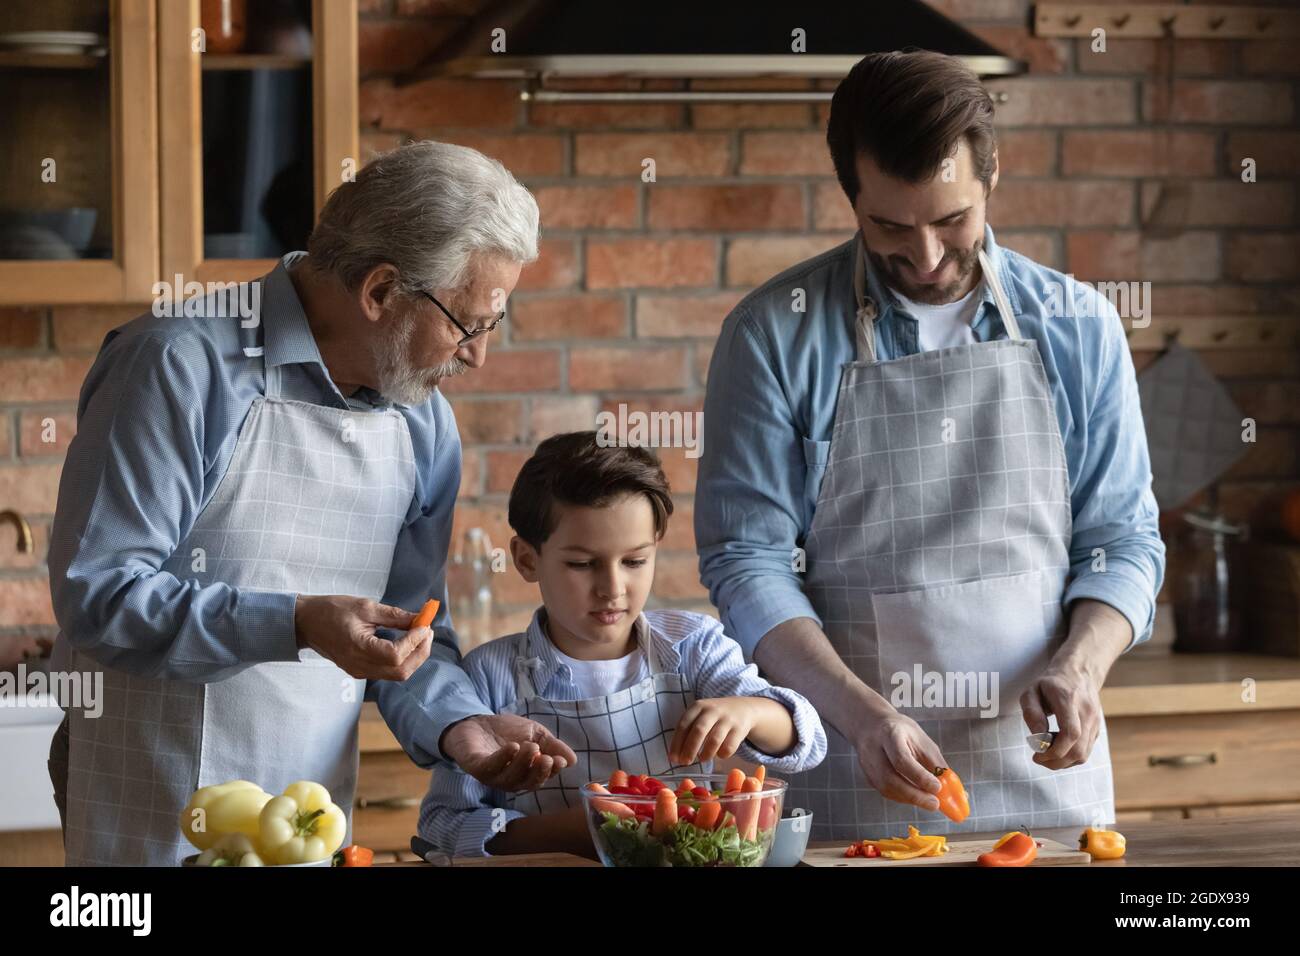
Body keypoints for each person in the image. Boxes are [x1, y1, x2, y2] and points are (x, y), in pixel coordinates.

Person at [45, 141, 577, 865]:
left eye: (492, 322)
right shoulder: (177, 365)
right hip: (147, 808)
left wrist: (461, 728)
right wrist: (296, 622)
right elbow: (99, 597)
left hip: (311, 828)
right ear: (381, 291)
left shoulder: (423, 421)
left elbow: (414, 634)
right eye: (468, 322)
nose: (478, 354)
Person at [695, 51, 1165, 839]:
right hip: (852, 767)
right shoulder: (771, 335)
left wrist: (1081, 667)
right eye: (889, 225)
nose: (926, 256)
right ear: (851, 194)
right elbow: (748, 563)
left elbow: (1121, 540)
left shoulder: (1080, 327)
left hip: (1047, 778)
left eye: (952, 220)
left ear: (991, 178)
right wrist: (862, 716)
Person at [418, 432, 826, 857]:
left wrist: (752, 711)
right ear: (526, 559)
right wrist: (581, 831)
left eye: (634, 561)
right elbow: (443, 824)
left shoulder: (693, 646)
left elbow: (809, 742)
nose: (613, 588)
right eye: (582, 564)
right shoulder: (488, 677)